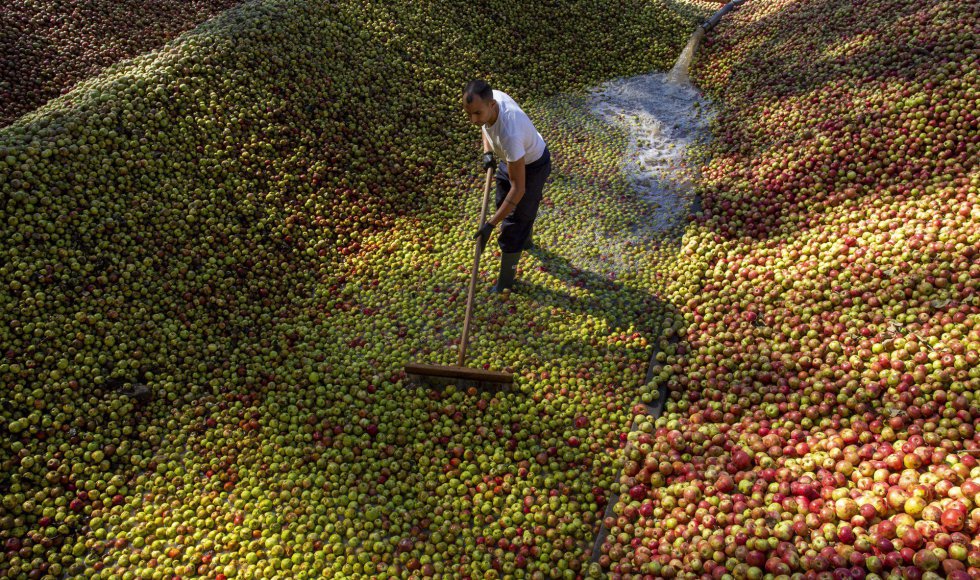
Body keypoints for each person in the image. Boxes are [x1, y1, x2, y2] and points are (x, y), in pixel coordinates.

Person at [462, 80, 551, 292]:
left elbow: (518, 189)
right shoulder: (491, 101)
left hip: (532, 165)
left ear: (492, 105)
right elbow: (485, 126)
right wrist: (487, 153)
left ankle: (505, 282)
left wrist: (490, 225)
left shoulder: (510, 135)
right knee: (503, 203)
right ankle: (525, 240)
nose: (472, 120)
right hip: (509, 159)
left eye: (476, 113)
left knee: (514, 221)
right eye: (468, 114)